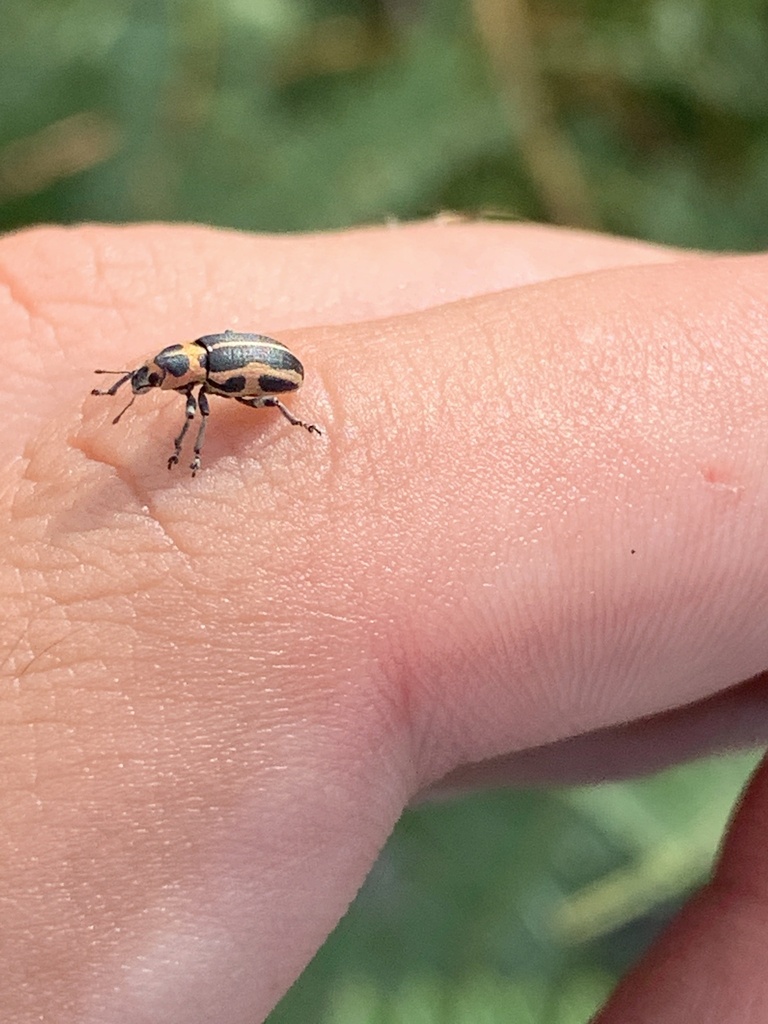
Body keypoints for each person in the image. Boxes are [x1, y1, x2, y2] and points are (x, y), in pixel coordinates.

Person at [2, 218, 767, 1023]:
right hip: (267, 367)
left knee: (213, 417)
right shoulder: (192, 368)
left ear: (184, 367)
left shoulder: (211, 377)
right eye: (159, 378)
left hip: (279, 379)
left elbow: (245, 389)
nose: (159, 386)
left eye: (159, 378)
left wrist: (239, 436)